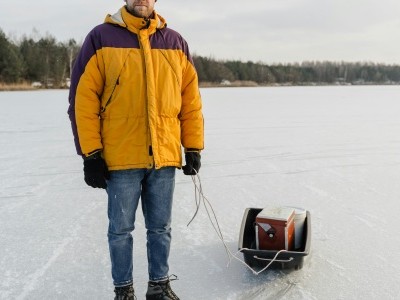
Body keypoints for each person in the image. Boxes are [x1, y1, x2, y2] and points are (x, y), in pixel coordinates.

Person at [67, 0, 204, 299]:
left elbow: (190, 100)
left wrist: (192, 145)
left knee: (161, 229)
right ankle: (123, 291)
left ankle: (159, 286)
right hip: (121, 157)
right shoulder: (101, 38)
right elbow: (83, 101)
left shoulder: (175, 42)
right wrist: (91, 153)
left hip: (164, 156)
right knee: (120, 231)